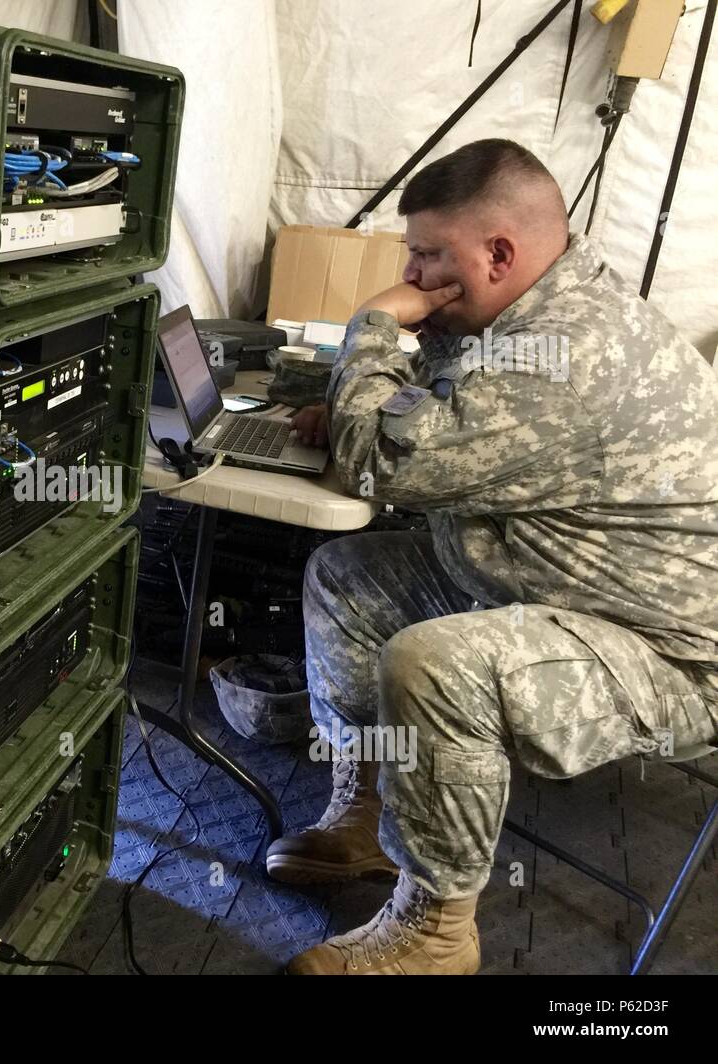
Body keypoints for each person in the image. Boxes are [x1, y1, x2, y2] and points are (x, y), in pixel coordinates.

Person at [272, 139, 718, 975]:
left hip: (668, 651)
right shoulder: (535, 310)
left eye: (425, 257)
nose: (410, 275)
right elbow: (450, 409)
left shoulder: (569, 352)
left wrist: (370, 326)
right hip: (552, 580)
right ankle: (366, 809)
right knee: (349, 579)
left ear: (499, 254)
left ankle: (435, 933)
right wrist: (377, 394)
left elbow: (385, 465)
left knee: (437, 664)